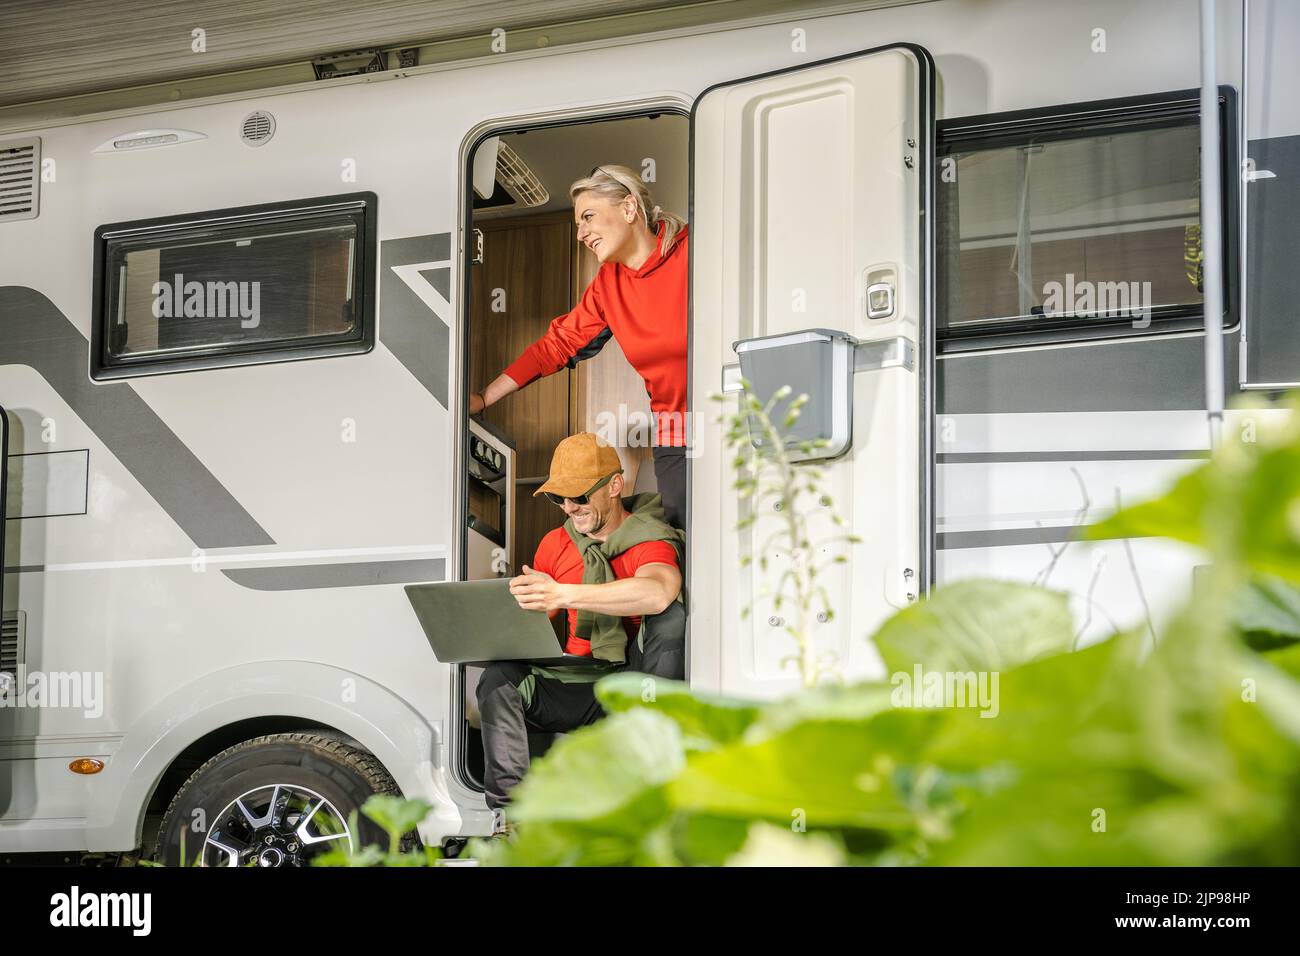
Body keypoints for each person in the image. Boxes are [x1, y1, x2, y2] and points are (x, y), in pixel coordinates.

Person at [476, 432, 686, 817]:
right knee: (498, 677)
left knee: (671, 617)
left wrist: (564, 594)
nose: (570, 507)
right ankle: (513, 817)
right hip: (581, 683)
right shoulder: (555, 544)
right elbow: (535, 626)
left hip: (637, 682)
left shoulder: (650, 536)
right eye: (559, 498)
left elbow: (659, 591)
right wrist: (508, 616)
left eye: (580, 496)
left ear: (614, 485)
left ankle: (654, 786)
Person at [469, 164, 690, 529]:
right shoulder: (609, 286)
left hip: (731, 419)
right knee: (686, 542)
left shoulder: (693, 254)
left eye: (588, 217)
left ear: (629, 208)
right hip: (676, 434)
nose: (581, 234)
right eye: (577, 224)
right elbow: (555, 346)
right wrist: (484, 397)